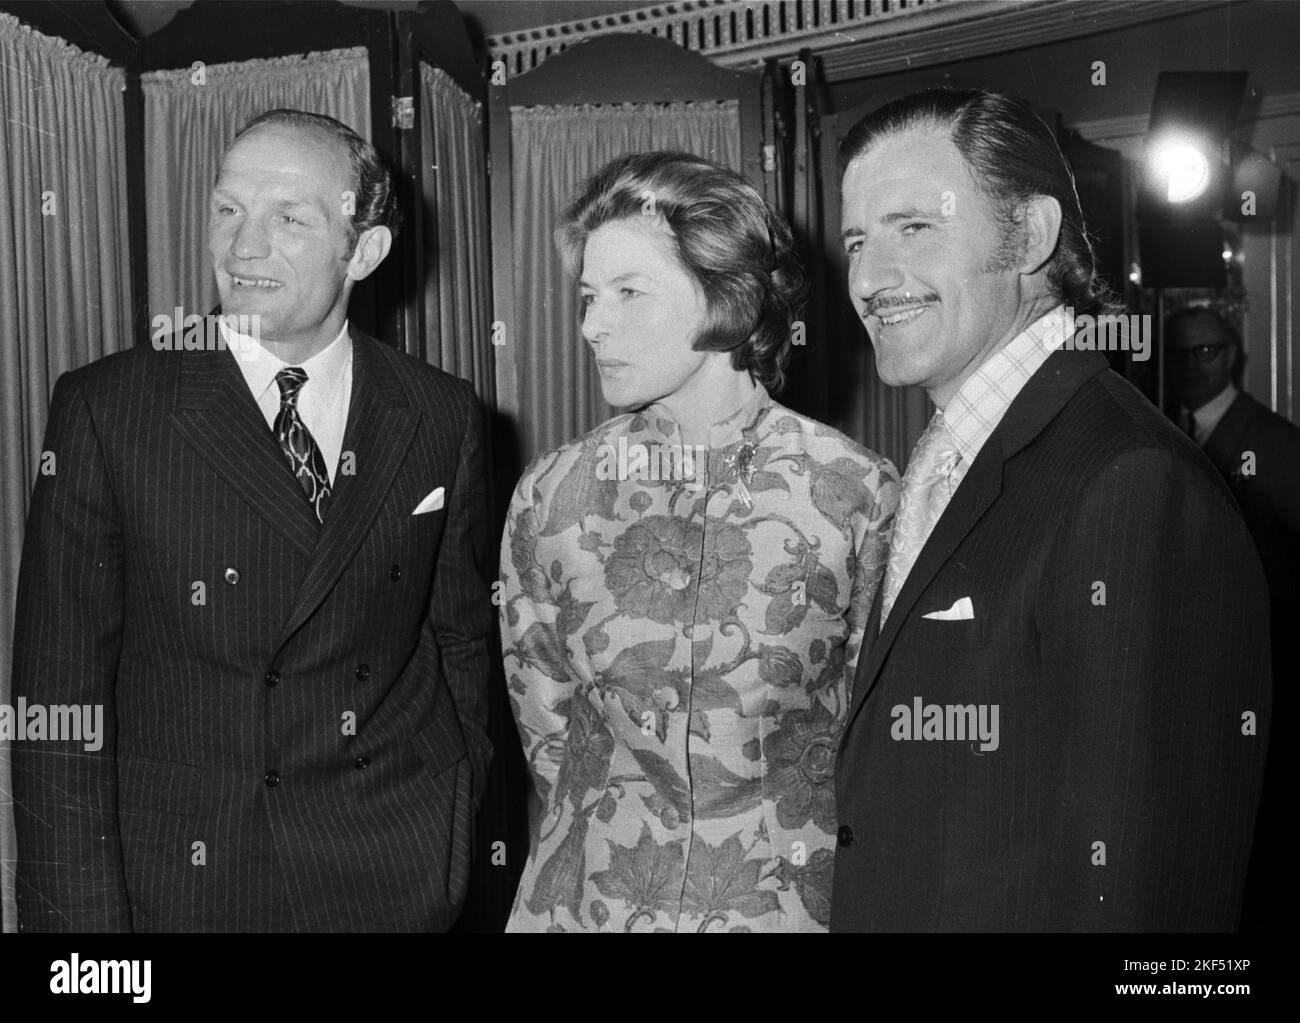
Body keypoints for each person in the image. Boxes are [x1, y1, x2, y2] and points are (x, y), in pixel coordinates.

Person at [11, 109, 493, 932]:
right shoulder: (111, 409)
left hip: (394, 879)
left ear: (364, 250)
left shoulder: (440, 414)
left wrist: (451, 840)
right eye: (228, 210)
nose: (243, 249)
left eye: (289, 219)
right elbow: (59, 705)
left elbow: (460, 647)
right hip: (189, 889)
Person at [831, 88, 1270, 932]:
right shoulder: (957, 453)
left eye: (912, 227)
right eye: (857, 240)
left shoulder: (1131, 479)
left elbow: (1153, 901)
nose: (868, 279)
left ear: (1030, 237)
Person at [499, 151, 899, 932]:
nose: (591, 324)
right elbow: (552, 736)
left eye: (627, 293)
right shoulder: (553, 494)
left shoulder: (855, 493)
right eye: (587, 296)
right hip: (590, 906)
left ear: (727, 293)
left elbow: (869, 745)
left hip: (790, 909)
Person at [1164, 304, 1299, 936]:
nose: (1194, 366)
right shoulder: (1166, 433)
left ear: (1234, 354)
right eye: (1181, 353)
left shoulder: (1275, 443)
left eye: (1207, 351)